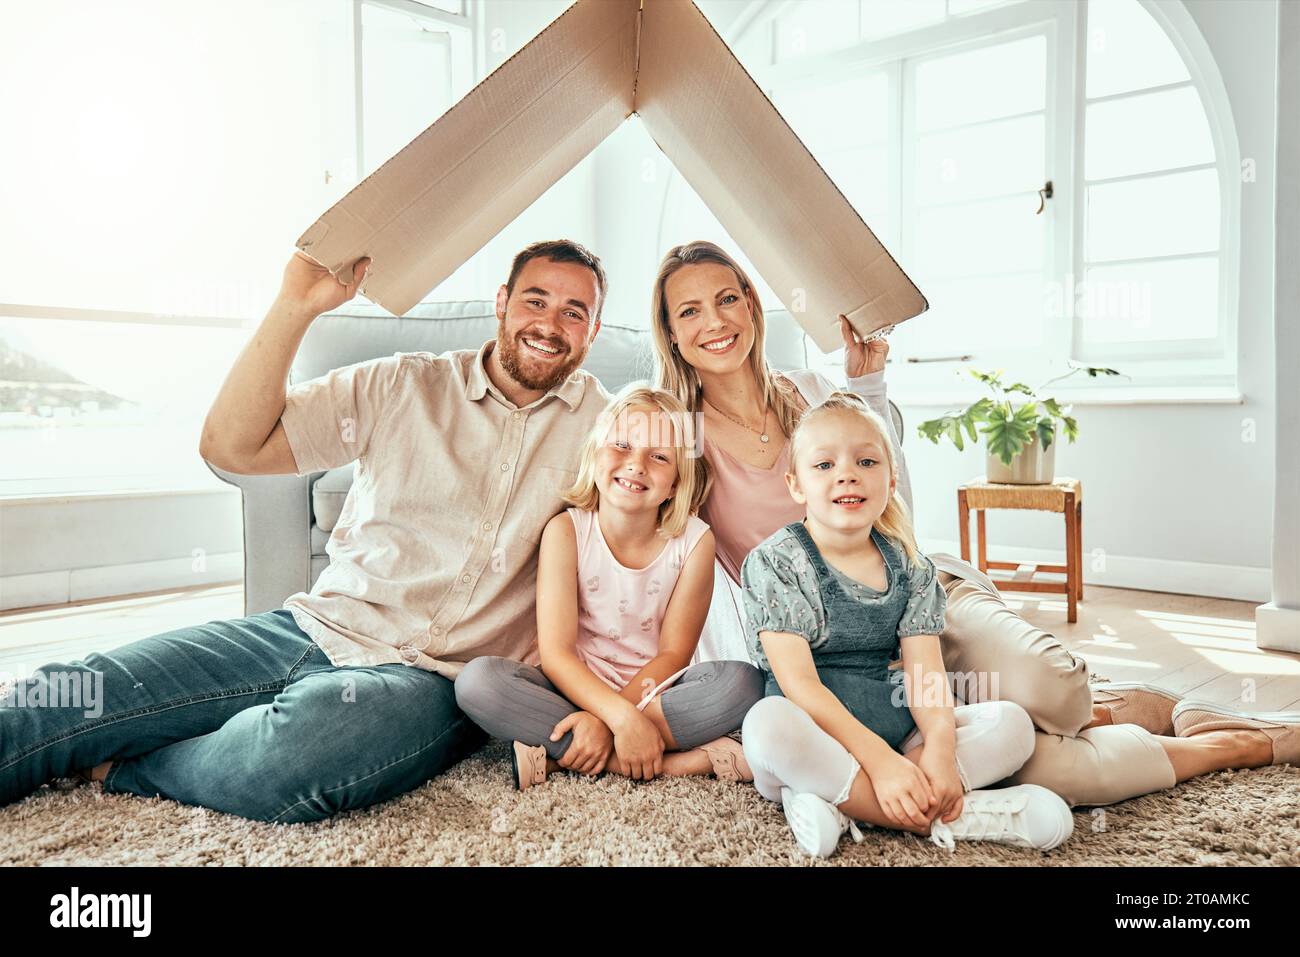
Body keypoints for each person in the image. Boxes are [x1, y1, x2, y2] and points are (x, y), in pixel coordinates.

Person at [649, 239, 1299, 811]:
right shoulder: (680, 443)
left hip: (920, 604)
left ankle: (1129, 703)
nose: (716, 321)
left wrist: (868, 384)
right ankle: (1241, 742)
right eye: (691, 311)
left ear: (752, 307)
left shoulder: (810, 390)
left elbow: (891, 495)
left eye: (728, 298)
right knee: (1046, 766)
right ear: (672, 335)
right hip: (841, 658)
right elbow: (661, 563)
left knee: (1060, 698)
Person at [0, 239, 616, 823]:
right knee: (82, 689)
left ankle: (129, 766)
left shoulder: (611, 430)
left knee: (303, 749)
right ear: (503, 303)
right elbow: (233, 445)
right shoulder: (403, 383)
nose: (549, 324)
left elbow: (676, 513)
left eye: (573, 312)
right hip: (314, 628)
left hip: (434, 684)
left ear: (592, 329)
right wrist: (295, 305)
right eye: (535, 301)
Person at [741, 393, 1074, 856]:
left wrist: (938, 749)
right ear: (795, 485)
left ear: (891, 479)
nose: (846, 473)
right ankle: (952, 819)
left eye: (866, 460)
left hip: (894, 728)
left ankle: (843, 806)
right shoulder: (776, 563)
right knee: (764, 726)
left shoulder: (911, 566)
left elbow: (926, 676)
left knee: (1012, 724)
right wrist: (878, 762)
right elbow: (800, 686)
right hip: (811, 733)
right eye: (823, 465)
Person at [455, 386, 763, 789]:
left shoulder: (694, 541)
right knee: (478, 682)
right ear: (595, 454)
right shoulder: (566, 530)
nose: (636, 465)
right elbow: (557, 654)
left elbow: (674, 653)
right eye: (621, 445)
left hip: (657, 696)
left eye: (658, 457)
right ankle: (672, 762)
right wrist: (616, 718)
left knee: (744, 684)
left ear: (674, 484)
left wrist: (622, 717)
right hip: (574, 691)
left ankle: (567, 754)